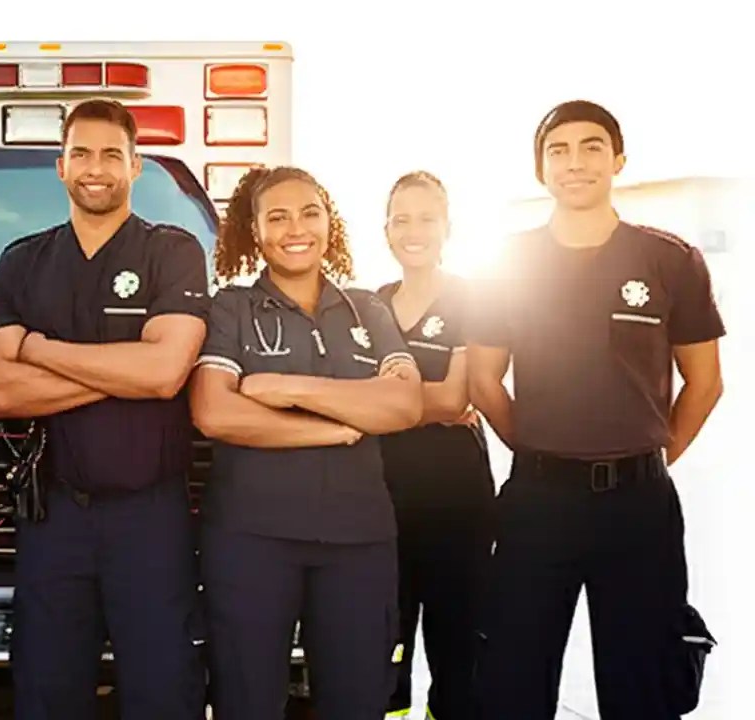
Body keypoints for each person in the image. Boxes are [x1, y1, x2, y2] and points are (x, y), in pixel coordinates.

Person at [467, 100, 726, 719]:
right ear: (540, 169)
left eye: (591, 147)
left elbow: (705, 383)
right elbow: (483, 381)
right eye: (558, 150)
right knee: (512, 683)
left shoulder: (669, 260)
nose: (575, 162)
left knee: (643, 687)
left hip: (638, 509)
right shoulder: (507, 264)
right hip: (538, 504)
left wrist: (649, 456)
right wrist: (540, 447)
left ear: (618, 161)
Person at [0, 98, 209, 719]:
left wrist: (39, 349)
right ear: (61, 166)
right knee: (48, 690)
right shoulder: (23, 262)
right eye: (81, 153)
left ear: (136, 166)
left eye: (111, 154)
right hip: (55, 517)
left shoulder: (172, 252)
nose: (95, 167)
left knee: (163, 690)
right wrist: (129, 371)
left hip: (150, 516)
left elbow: (165, 374)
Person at [189, 165, 424, 719]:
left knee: (358, 703)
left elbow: (404, 405)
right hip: (252, 541)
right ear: (254, 231)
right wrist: (337, 426)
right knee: (247, 703)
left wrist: (285, 388)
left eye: (310, 213)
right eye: (277, 217)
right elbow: (214, 411)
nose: (296, 228)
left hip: (358, 541)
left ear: (329, 222)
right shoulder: (231, 307)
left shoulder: (368, 308)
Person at [374, 171, 495, 719]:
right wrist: (406, 399)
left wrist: (381, 400)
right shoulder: (371, 305)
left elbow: (454, 398)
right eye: (400, 219)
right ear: (386, 230)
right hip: (382, 499)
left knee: (457, 649)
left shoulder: (473, 298)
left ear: (448, 227)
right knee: (383, 646)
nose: (413, 230)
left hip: (456, 500)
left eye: (426, 218)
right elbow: (434, 397)